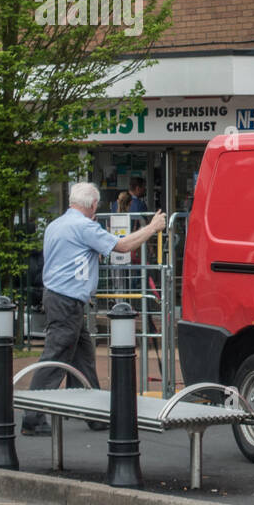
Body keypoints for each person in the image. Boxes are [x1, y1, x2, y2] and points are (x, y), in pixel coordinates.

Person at [21, 182, 165, 436]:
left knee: (83, 358)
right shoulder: (84, 226)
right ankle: (32, 418)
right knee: (55, 358)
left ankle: (93, 414)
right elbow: (123, 246)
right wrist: (152, 228)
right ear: (93, 205)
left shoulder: (56, 225)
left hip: (58, 297)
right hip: (67, 301)